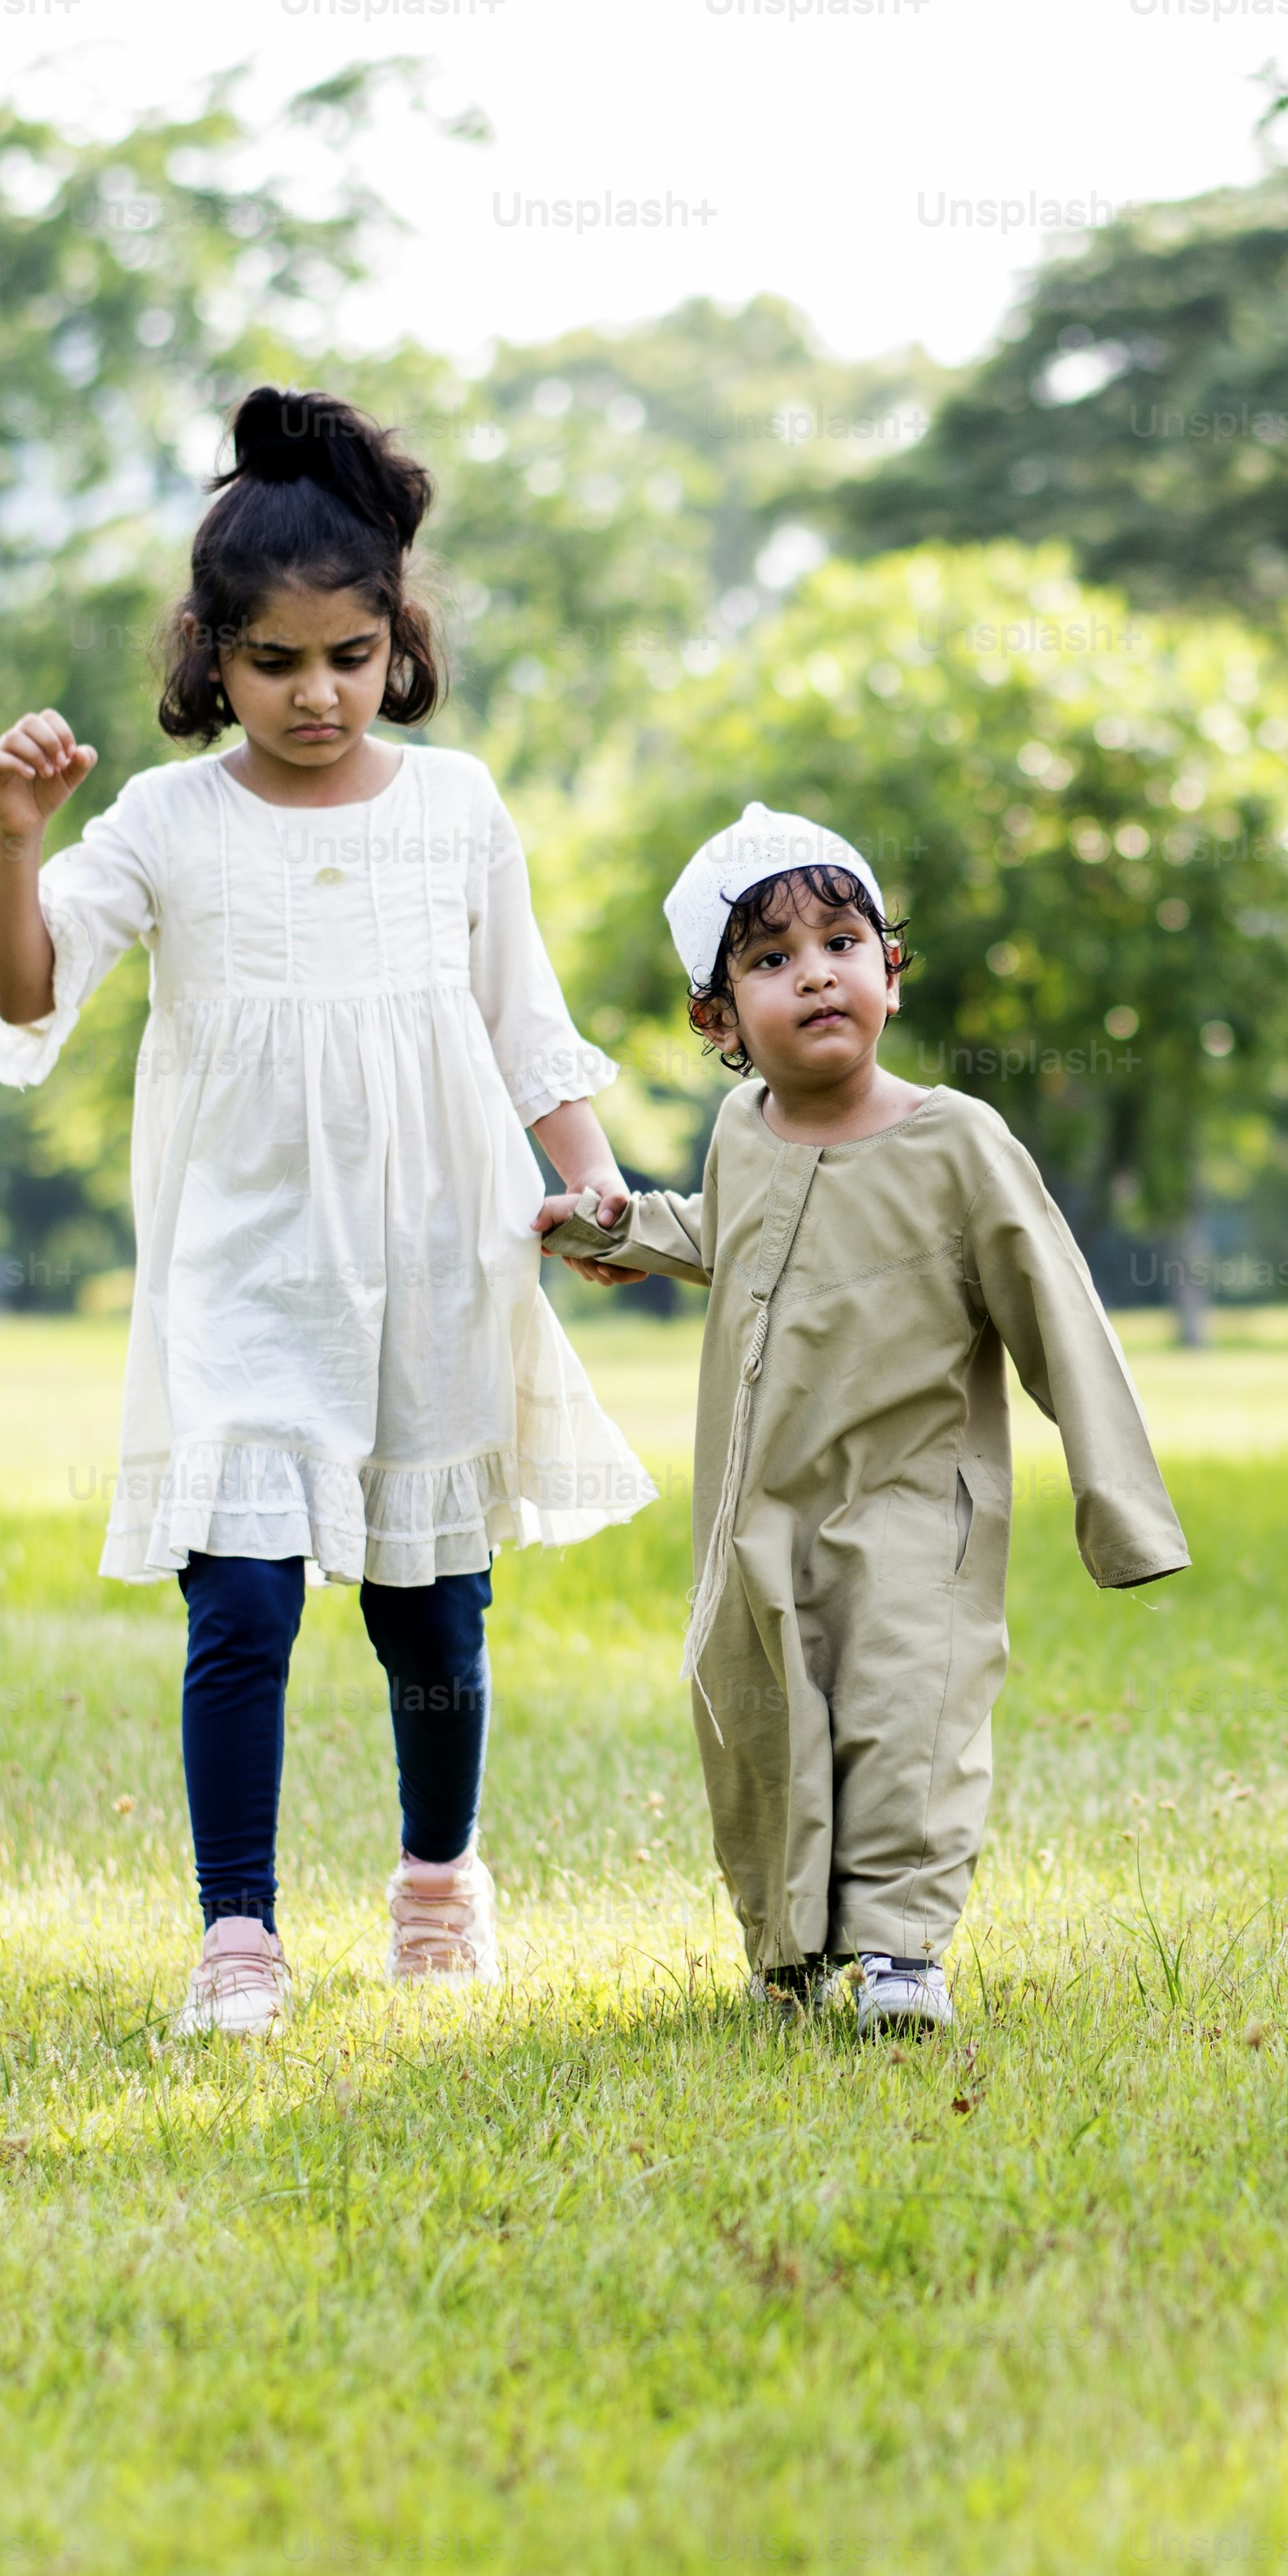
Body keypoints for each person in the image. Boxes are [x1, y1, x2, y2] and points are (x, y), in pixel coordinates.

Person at [0, 387, 652, 2040]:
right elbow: (23, 990)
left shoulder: (457, 808)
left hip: (437, 1257)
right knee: (243, 1594)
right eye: (273, 662)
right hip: (247, 1265)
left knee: (432, 1605)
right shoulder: (170, 822)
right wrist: (11, 839)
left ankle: (435, 1883)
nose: (314, 692)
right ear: (210, 656)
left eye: (346, 654)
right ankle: (237, 1936)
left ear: (393, 639)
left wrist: (589, 1169)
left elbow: (519, 1019)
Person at [535, 804, 1186, 2035]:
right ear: (716, 1020)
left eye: (839, 940)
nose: (813, 973)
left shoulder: (957, 1144)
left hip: (909, 1507)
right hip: (757, 1507)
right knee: (760, 1722)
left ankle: (897, 1951)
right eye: (769, 961)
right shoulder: (743, 1129)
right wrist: (606, 1227)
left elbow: (1062, 1322)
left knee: (906, 1715)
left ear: (889, 965)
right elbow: (727, 1242)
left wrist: (1123, 1515)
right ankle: (786, 1952)